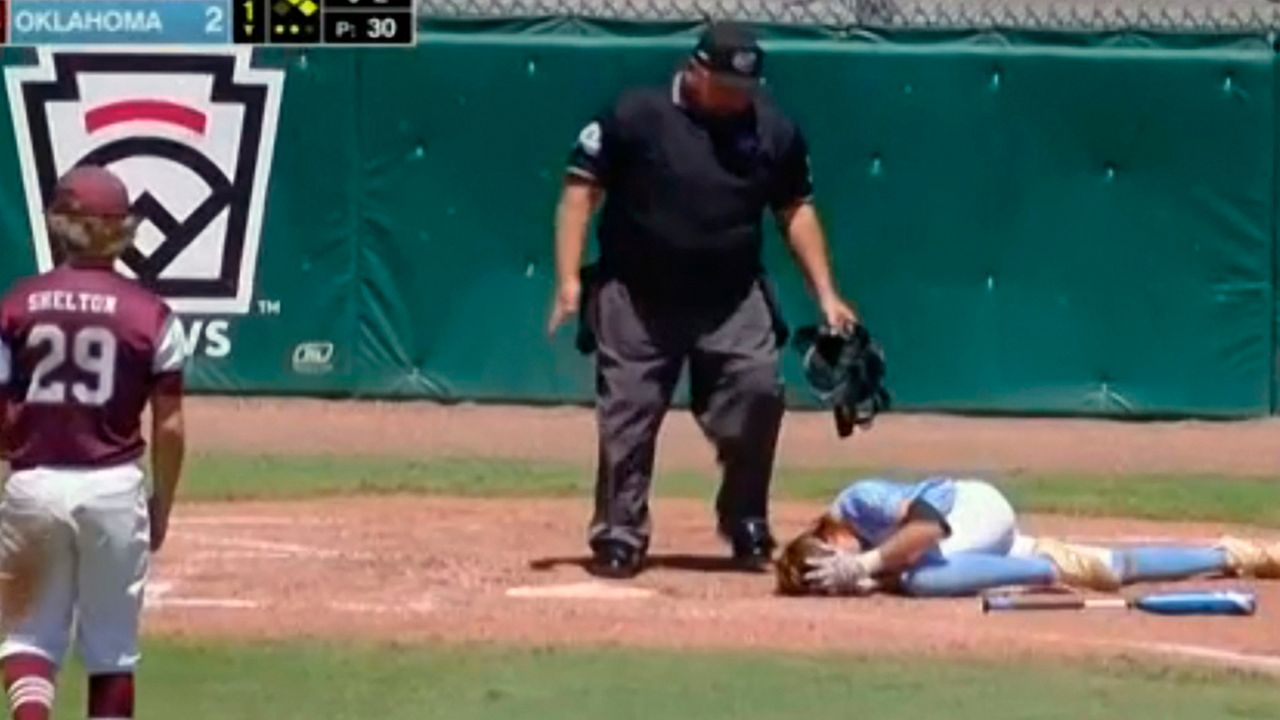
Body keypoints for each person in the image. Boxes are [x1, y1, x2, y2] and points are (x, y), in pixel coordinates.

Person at [547, 22, 858, 579]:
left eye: (748, 87)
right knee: (628, 417)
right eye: (727, 85)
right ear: (694, 71)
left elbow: (795, 211)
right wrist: (570, 280)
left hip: (731, 294)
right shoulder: (635, 115)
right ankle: (620, 533)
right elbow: (579, 192)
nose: (739, 97)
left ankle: (744, 517)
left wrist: (827, 295)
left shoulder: (773, 130)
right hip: (637, 294)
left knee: (759, 395)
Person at [0, 165, 186, 720]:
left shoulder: (16, 305)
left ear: (61, 225)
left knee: (29, 642)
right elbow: (171, 427)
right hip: (113, 488)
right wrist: (162, 505)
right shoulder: (151, 314)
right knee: (111, 651)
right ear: (122, 230)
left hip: (33, 483)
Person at [776, 475, 1280, 597]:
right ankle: (1242, 554)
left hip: (976, 509)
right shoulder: (863, 550)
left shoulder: (857, 501)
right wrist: (867, 574)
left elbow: (929, 525)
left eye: (828, 560)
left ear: (824, 537)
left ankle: (1044, 572)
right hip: (974, 547)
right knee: (1110, 568)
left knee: (919, 579)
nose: (837, 567)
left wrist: (866, 570)